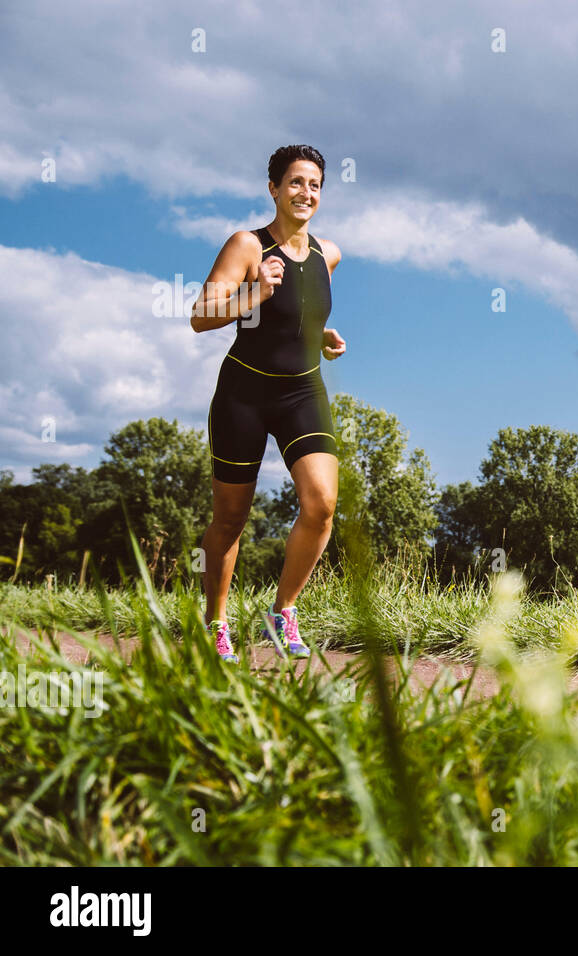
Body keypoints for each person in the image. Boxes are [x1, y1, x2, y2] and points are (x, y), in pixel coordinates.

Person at [189, 145, 346, 663]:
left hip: (303, 389)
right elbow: (201, 315)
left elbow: (298, 314)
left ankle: (283, 612)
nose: (306, 193)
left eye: (315, 185)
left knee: (321, 504)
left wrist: (321, 337)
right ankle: (216, 622)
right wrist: (251, 298)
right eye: (296, 183)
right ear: (274, 189)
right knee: (230, 519)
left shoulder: (330, 254)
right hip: (244, 393)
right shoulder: (247, 245)